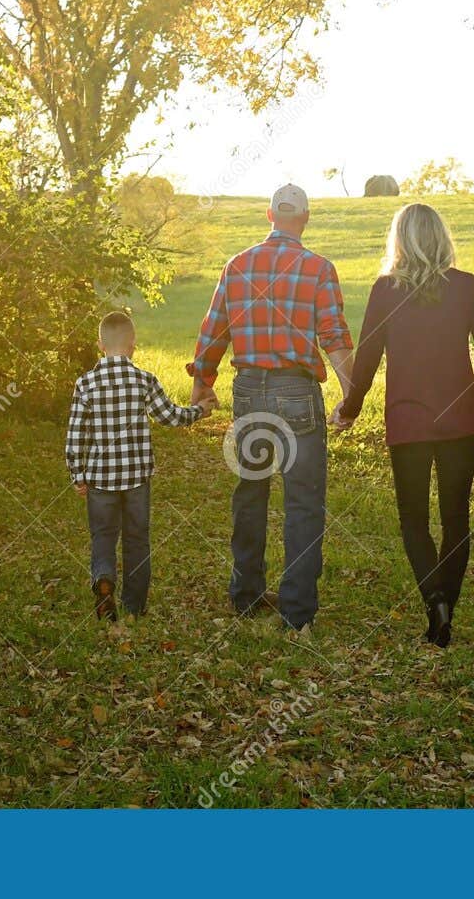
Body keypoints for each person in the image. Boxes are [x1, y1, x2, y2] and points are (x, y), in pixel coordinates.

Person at [332, 204, 474, 647]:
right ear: (441, 238)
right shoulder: (465, 287)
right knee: (455, 519)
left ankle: (435, 604)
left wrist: (349, 408)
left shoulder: (385, 290)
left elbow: (367, 357)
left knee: (413, 521)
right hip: (461, 420)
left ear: (399, 240)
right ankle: (445, 609)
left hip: (407, 419)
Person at [188, 185, 354, 631]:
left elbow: (213, 331)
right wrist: (350, 397)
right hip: (296, 392)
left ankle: (245, 595)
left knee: (250, 493)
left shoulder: (237, 266)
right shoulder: (319, 269)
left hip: (248, 394)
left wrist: (201, 385)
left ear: (268, 215)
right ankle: (297, 613)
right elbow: (334, 336)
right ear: (306, 218)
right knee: (302, 503)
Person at [65, 310, 211, 622]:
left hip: (100, 480)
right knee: (136, 539)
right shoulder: (144, 380)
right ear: (133, 344)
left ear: (99, 344)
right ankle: (134, 605)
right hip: (136, 479)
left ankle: (104, 579)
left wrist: (78, 473)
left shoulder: (85, 383)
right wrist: (198, 411)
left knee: (103, 535)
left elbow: (75, 433)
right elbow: (169, 416)